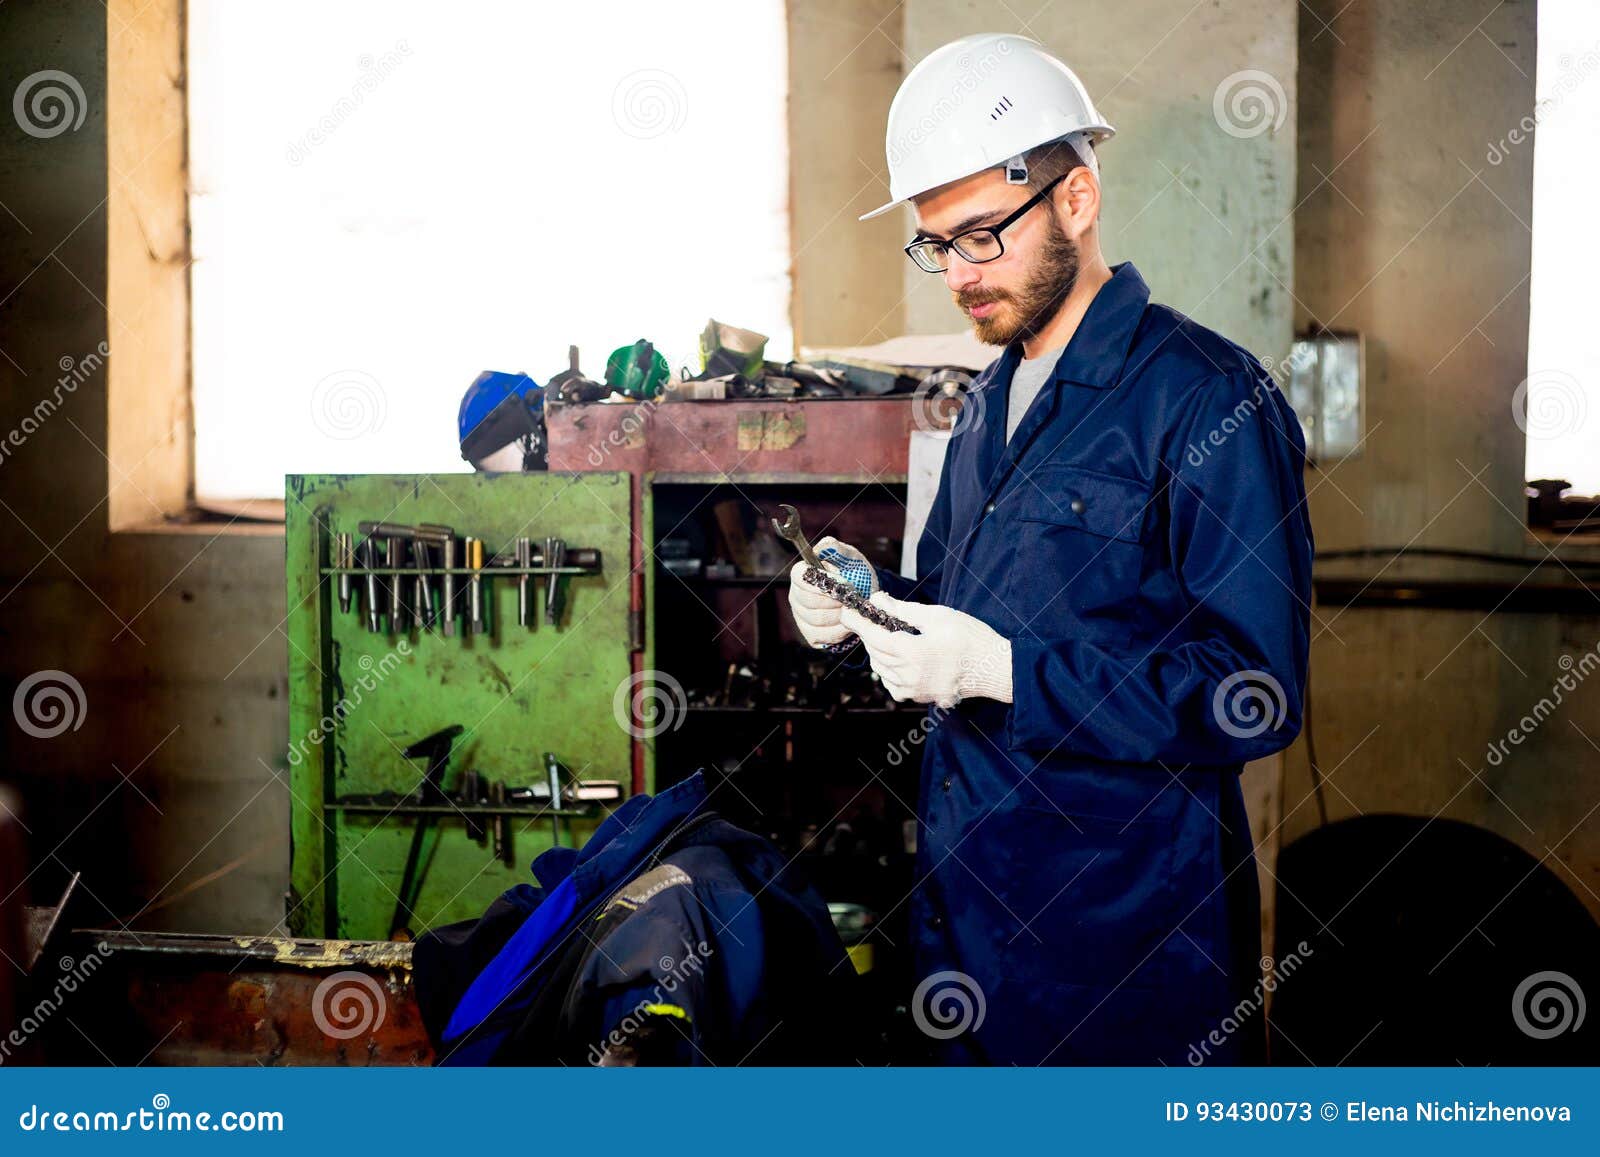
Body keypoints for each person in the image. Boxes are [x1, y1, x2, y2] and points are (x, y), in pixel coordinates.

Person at [788, 33, 1313, 1065]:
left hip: (1122, 948)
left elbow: (1256, 691)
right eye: (935, 245)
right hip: (967, 912)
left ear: (1076, 199)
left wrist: (1007, 674)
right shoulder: (987, 402)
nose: (957, 275)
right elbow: (954, 607)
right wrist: (857, 602)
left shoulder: (1208, 398)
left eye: (981, 235)